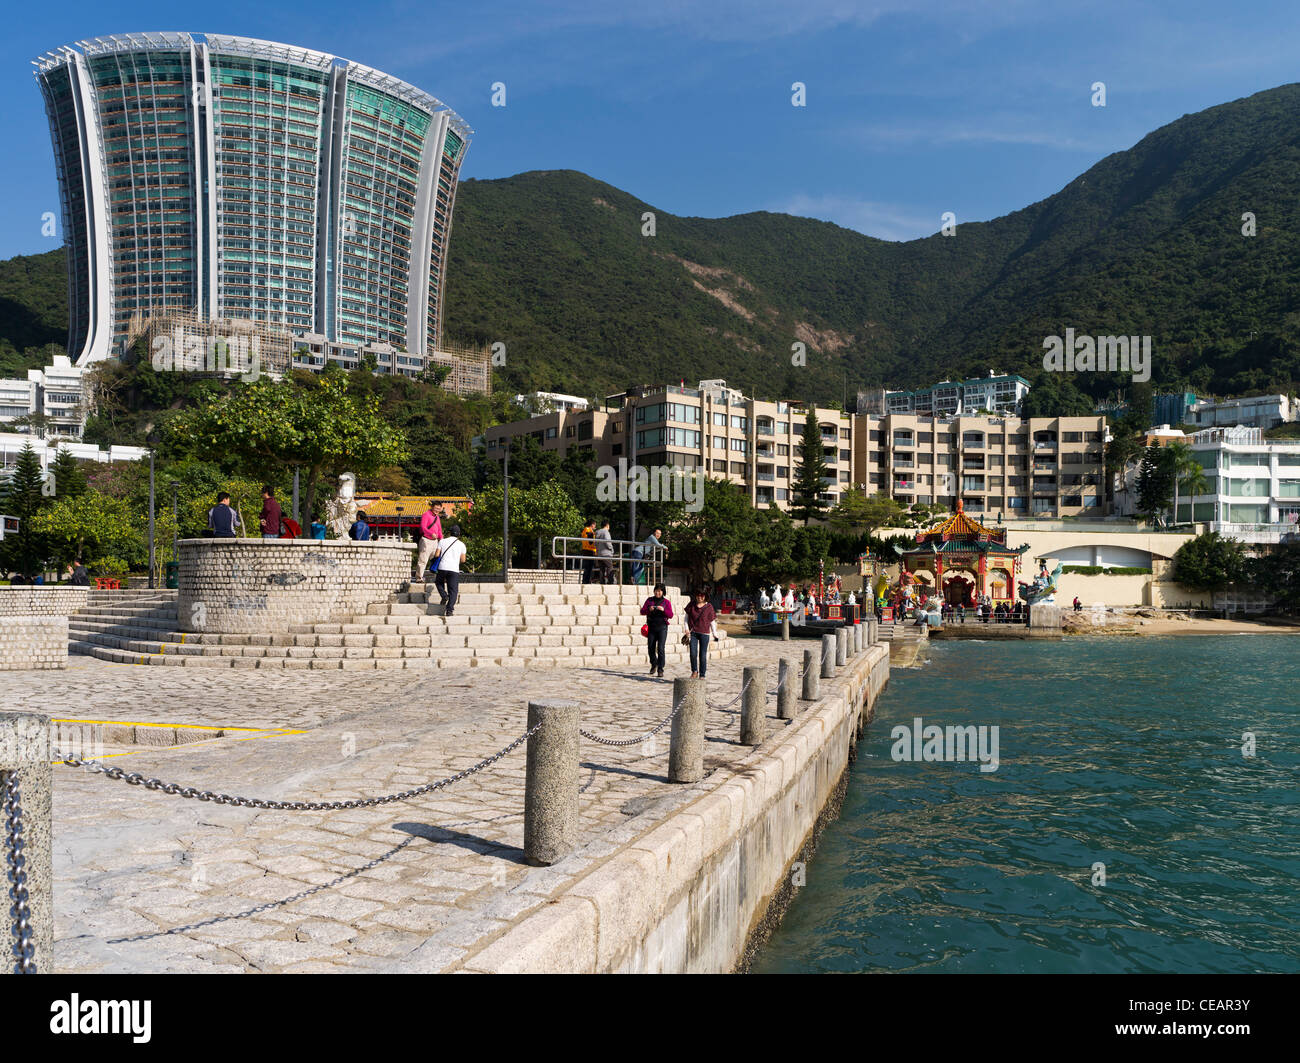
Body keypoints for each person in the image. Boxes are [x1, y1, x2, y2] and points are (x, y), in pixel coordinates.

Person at [639, 583, 673, 678]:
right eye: (656, 590)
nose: (658, 592)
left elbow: (670, 615)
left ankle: (660, 668)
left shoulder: (666, 602)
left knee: (661, 648)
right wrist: (649, 609)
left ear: (663, 592)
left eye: (660, 591)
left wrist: (663, 610)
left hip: (662, 627)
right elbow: (642, 611)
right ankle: (654, 664)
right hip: (651, 627)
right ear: (654, 591)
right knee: (650, 648)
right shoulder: (649, 600)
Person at [433, 524, 466, 616]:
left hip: (442, 567)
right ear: (459, 534)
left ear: (449, 532)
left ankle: (444, 596)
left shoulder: (442, 541)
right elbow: (463, 560)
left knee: (439, 582)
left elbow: (436, 555)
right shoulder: (462, 545)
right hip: (454, 569)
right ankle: (449, 610)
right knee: (453, 590)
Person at [685, 588, 716, 679]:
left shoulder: (709, 607)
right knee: (693, 653)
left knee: (702, 655)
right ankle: (694, 671)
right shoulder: (691, 605)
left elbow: (712, 621)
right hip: (693, 633)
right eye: (698, 595)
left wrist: (714, 633)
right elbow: (686, 618)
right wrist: (686, 629)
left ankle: (702, 674)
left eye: (702, 595)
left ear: (705, 596)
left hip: (704, 633)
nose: (700, 597)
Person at [414, 500, 444, 580]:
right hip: (426, 540)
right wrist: (431, 533)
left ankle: (436, 574)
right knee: (423, 559)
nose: (437, 510)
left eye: (439, 509)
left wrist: (442, 539)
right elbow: (423, 527)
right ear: (432, 507)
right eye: (436, 508)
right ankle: (419, 577)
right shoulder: (426, 515)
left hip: (435, 542)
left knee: (438, 558)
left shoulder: (437, 517)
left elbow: (439, 530)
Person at [595, 519, 615, 584]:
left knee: (602, 569)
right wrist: (611, 549)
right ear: (607, 525)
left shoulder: (597, 532)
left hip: (599, 554)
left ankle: (602, 582)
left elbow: (595, 543)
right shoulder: (606, 532)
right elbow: (608, 542)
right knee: (610, 567)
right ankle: (610, 581)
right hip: (606, 553)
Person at [579, 519, 597, 584]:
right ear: (592, 525)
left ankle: (588, 580)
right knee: (587, 567)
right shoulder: (587, 529)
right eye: (595, 525)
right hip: (588, 550)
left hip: (590, 550)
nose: (595, 527)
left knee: (590, 567)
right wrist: (593, 533)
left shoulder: (589, 530)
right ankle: (585, 581)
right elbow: (590, 541)